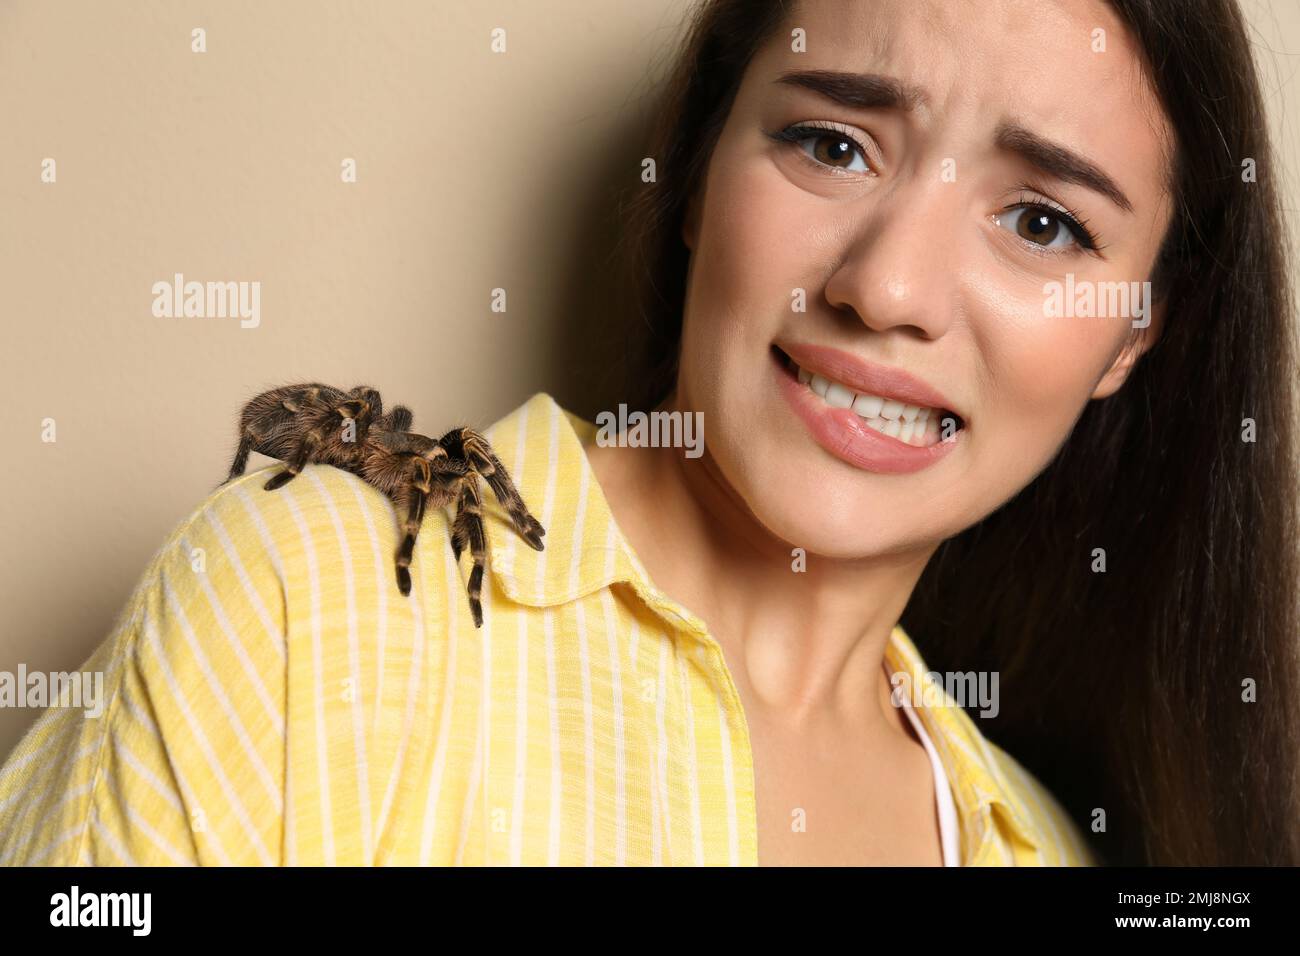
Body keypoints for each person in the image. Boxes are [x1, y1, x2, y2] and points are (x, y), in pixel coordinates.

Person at [1, 0, 1295, 866]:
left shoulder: (1039, 847)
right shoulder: (303, 607)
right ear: (692, 176)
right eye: (831, 143)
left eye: (1045, 223)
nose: (888, 289)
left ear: (1138, 335)